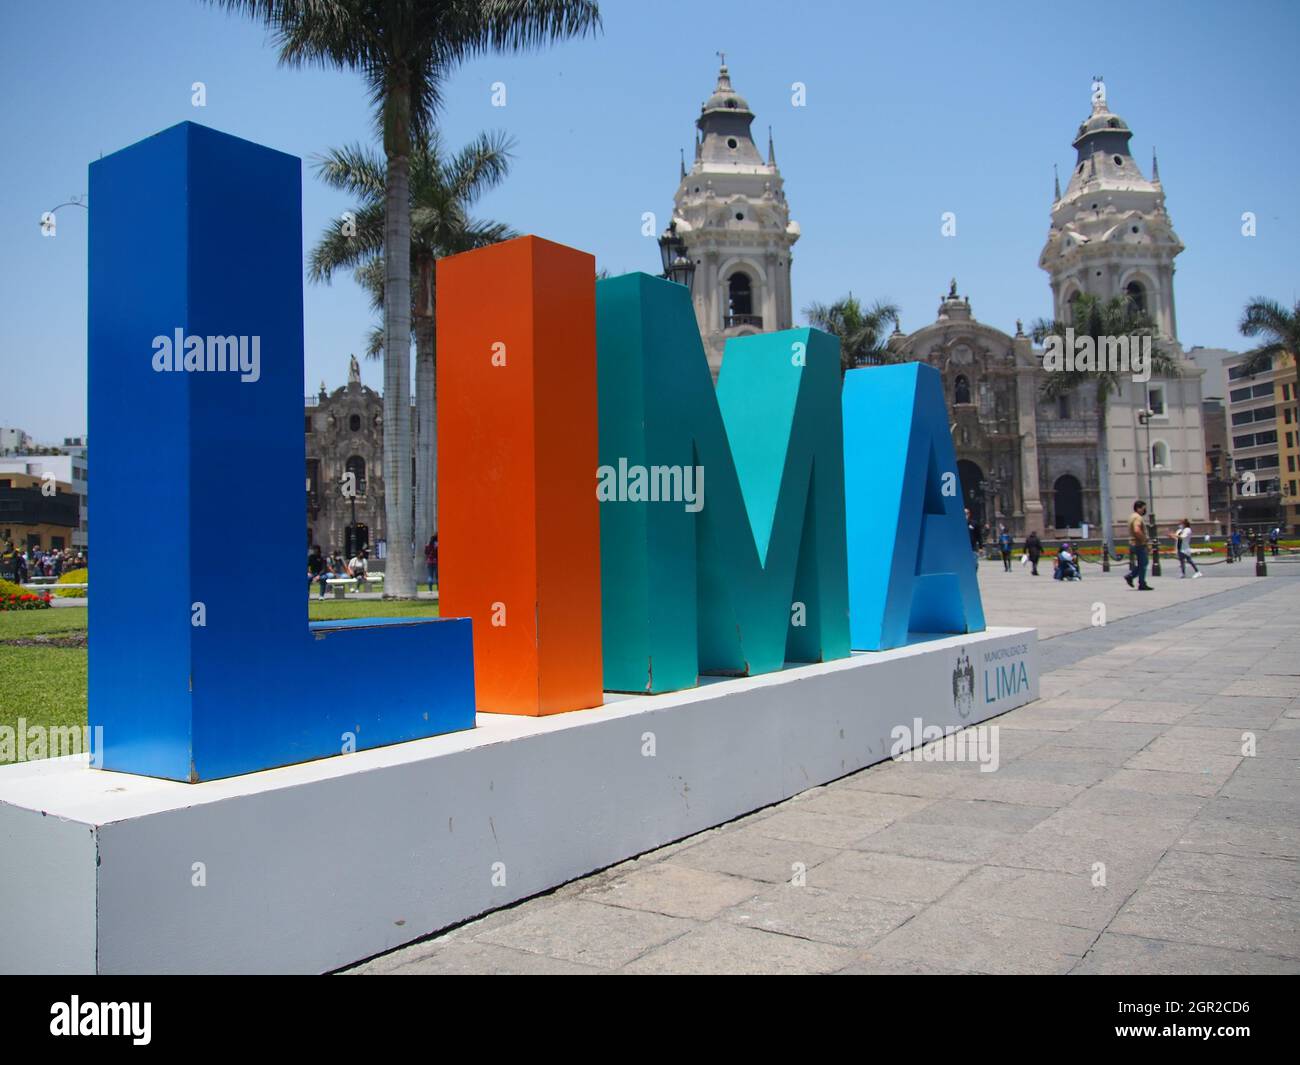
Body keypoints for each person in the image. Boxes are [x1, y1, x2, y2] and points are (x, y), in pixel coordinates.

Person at [1124, 500, 1153, 591]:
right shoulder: (1138, 518)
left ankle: (1137, 580)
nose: (1144, 511)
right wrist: (1144, 540)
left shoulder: (1131, 517)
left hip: (1133, 543)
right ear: (1138, 508)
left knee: (1142, 563)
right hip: (1139, 544)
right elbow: (1137, 530)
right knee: (1144, 563)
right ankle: (1137, 580)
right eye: (1143, 508)